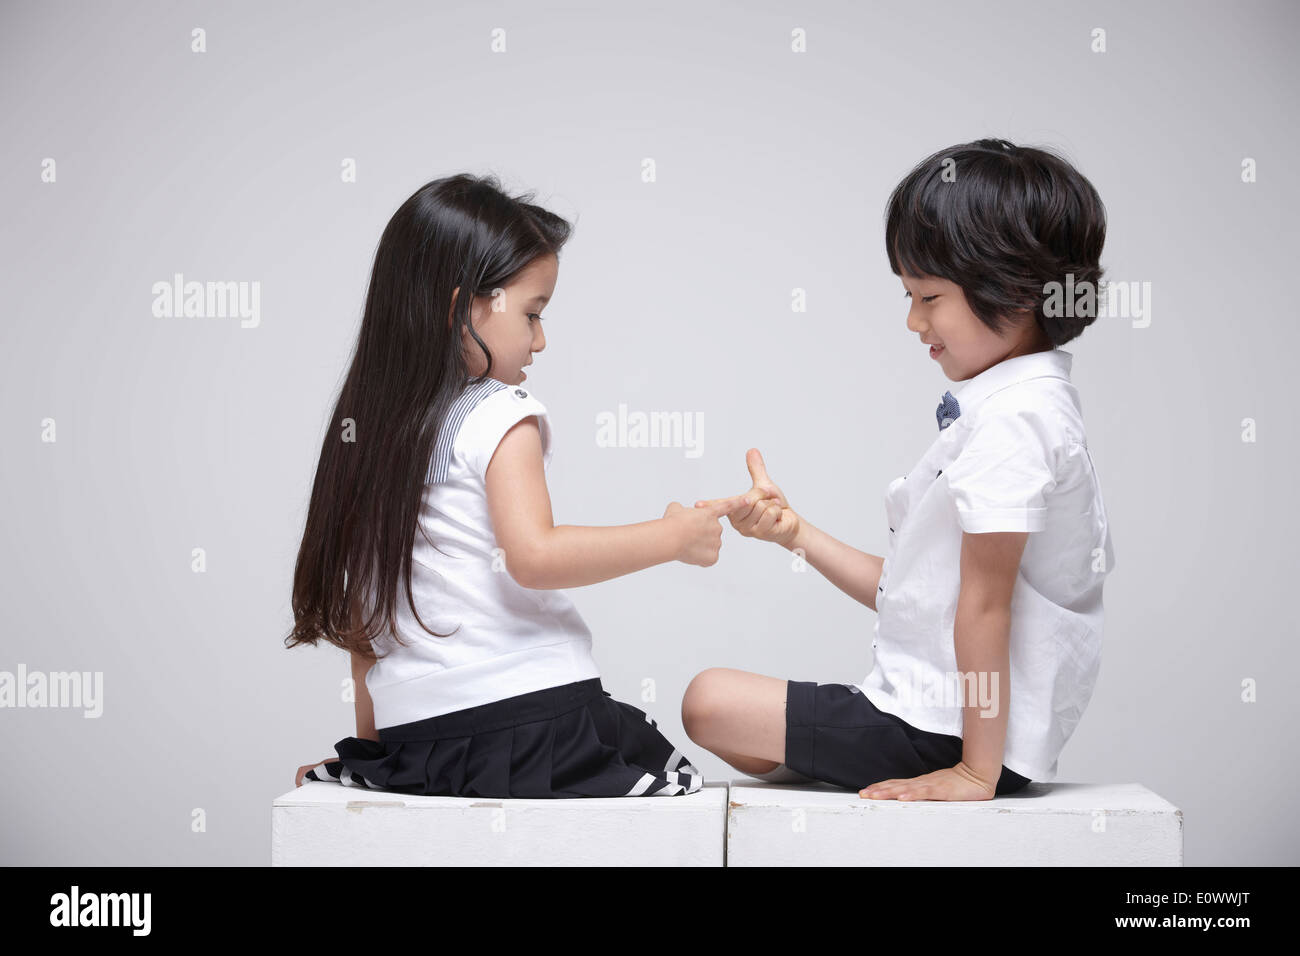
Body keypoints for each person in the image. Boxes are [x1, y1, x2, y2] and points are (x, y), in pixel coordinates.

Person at [684, 138, 1115, 801]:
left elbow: (984, 605)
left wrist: (976, 771)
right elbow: (921, 596)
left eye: (929, 296)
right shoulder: (1015, 407)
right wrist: (795, 534)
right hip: (944, 717)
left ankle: (960, 762)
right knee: (735, 727)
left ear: (1018, 291)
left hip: (951, 732)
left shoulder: (1015, 422)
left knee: (707, 701)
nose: (914, 320)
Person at [286, 173, 741, 798]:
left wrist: (374, 755)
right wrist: (674, 537)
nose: (541, 339)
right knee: (670, 774)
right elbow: (536, 556)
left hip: (422, 743)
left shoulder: (369, 436)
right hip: (531, 726)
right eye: (532, 314)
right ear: (461, 307)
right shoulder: (497, 412)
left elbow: (366, 632)